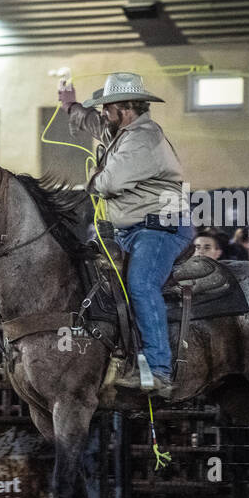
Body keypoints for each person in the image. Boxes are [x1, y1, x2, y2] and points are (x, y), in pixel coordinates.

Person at [60, 71, 190, 396]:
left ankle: (160, 371)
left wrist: (94, 174)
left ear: (124, 108)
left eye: (107, 107)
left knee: (141, 283)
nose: (103, 113)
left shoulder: (143, 139)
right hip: (135, 227)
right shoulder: (125, 131)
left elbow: (109, 184)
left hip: (160, 226)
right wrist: (71, 107)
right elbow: (95, 125)